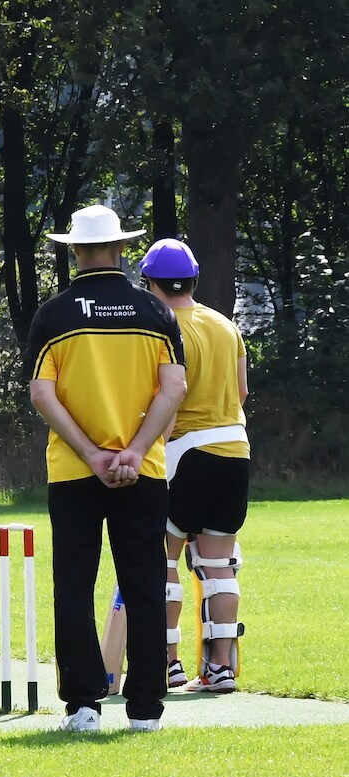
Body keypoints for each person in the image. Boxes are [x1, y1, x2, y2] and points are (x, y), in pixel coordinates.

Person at [25, 205, 187, 732]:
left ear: (74, 251)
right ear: (122, 249)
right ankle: (144, 711)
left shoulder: (54, 314)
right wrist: (136, 451)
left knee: (74, 583)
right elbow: (174, 389)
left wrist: (92, 454)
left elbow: (41, 393)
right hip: (143, 471)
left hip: (75, 472)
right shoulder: (155, 313)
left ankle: (85, 706)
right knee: (143, 584)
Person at [139, 238, 249, 693]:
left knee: (162, 559)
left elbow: (164, 395)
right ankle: (221, 668)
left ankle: (170, 665)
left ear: (149, 282)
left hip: (185, 451)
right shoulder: (225, 325)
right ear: (194, 279)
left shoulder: (159, 326)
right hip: (236, 449)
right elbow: (241, 392)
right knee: (218, 564)